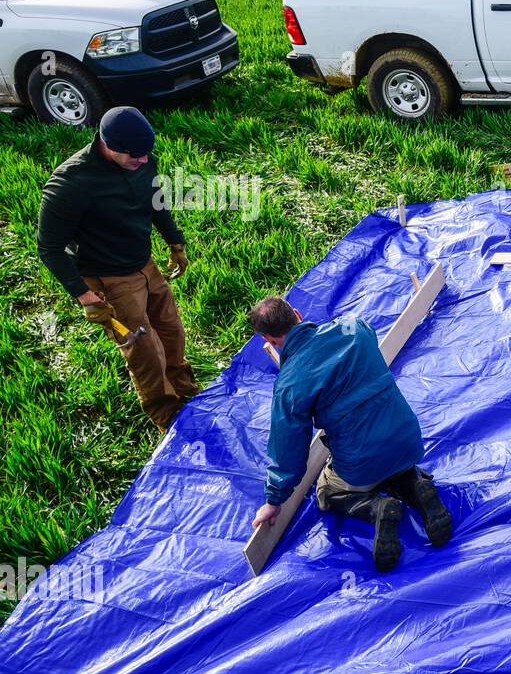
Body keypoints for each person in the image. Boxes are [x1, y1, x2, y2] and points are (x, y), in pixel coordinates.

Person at [247, 297, 452, 572]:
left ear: (270, 340)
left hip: (362, 460)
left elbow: (288, 453)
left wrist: (274, 501)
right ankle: (416, 487)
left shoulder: (290, 383)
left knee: (326, 487)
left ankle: (376, 509)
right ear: (297, 313)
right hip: (407, 438)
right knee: (389, 460)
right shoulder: (353, 327)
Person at [37, 106, 196, 431]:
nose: (143, 162)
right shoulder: (70, 184)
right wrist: (84, 296)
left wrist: (174, 242)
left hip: (144, 263)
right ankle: (169, 416)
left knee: (170, 329)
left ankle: (185, 390)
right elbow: (49, 248)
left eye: (145, 155)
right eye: (134, 157)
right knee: (144, 351)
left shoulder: (143, 159)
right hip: (109, 278)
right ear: (110, 146)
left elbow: (156, 200)